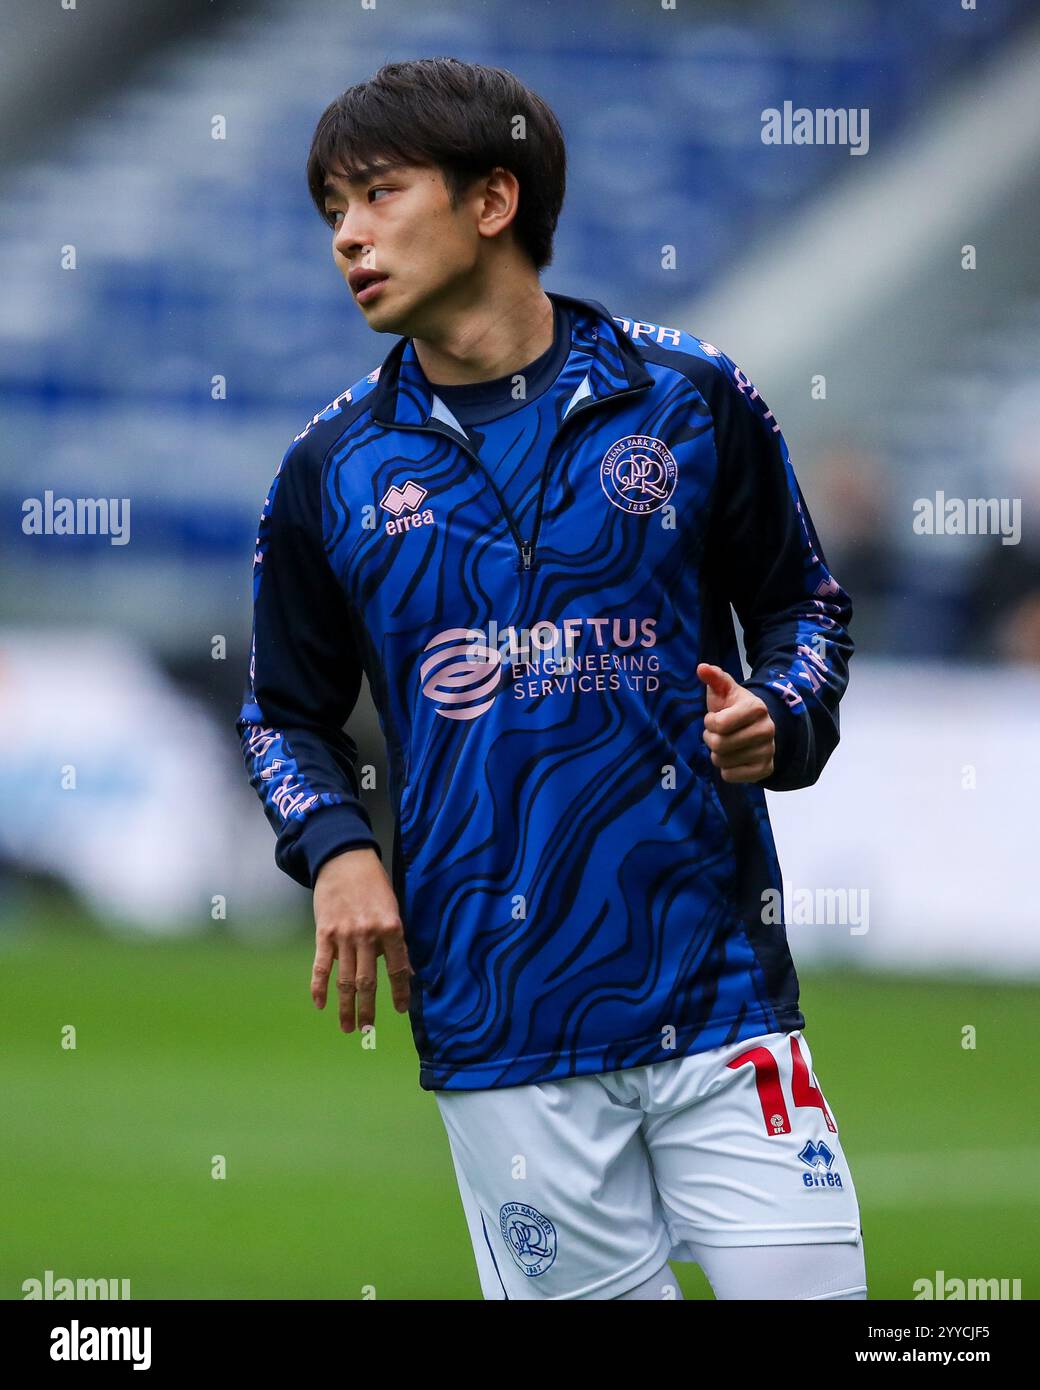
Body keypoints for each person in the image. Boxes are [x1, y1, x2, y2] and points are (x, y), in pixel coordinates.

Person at [236, 56, 865, 1301]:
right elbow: (283, 709)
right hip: (497, 1022)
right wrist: (338, 851)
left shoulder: (688, 399)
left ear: (491, 201)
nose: (347, 237)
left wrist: (779, 718)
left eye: (374, 194)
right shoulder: (329, 470)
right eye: (330, 213)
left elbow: (805, 607)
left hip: (721, 996)